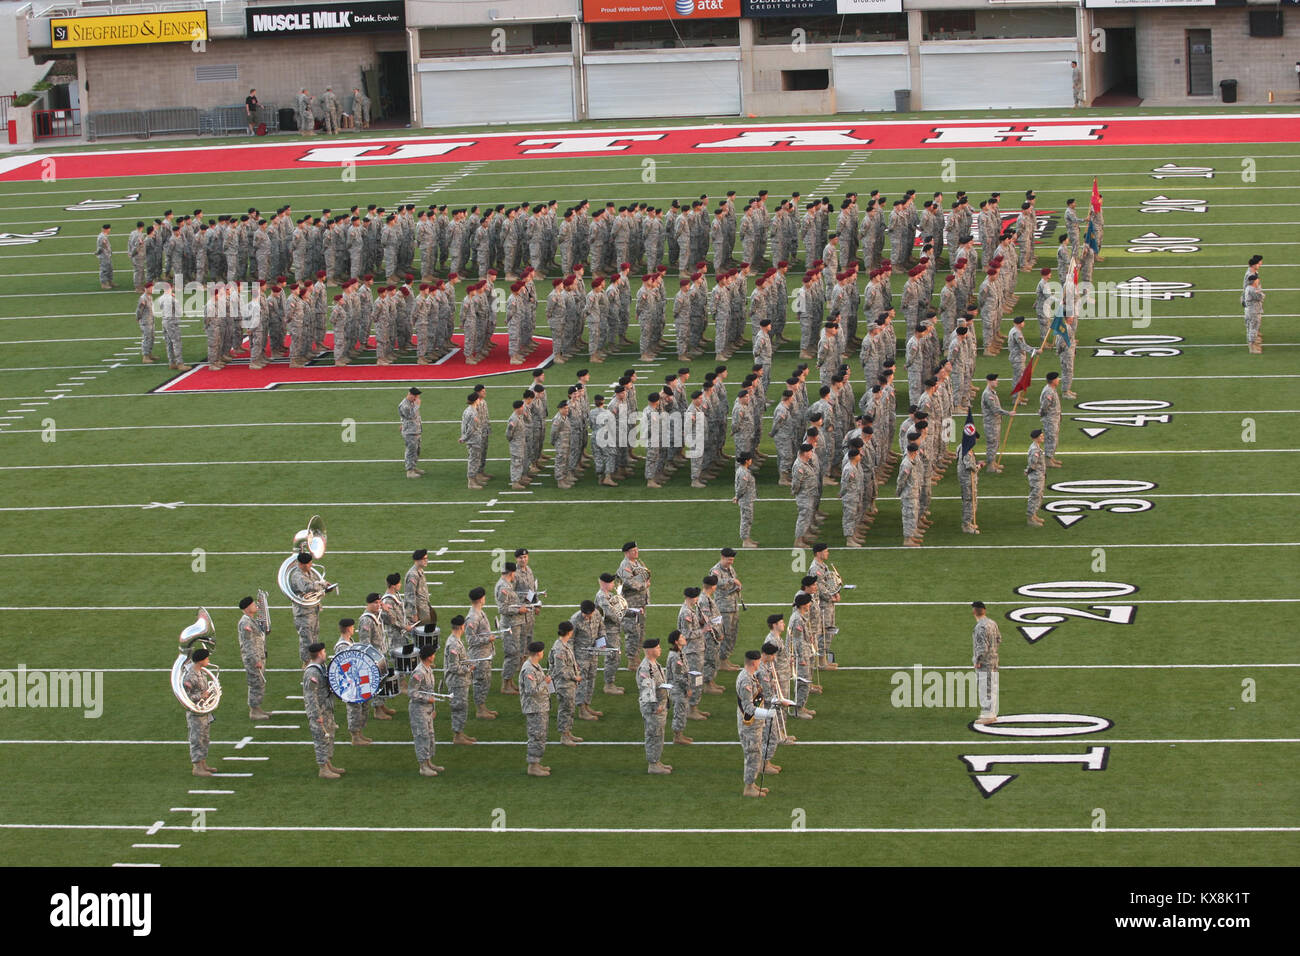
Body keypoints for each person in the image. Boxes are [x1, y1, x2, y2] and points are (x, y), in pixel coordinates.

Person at [303, 642, 345, 778]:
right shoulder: (312, 672)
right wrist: (317, 715)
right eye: (324, 652)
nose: (325, 654)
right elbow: (310, 696)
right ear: (320, 654)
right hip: (319, 711)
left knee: (329, 736)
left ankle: (328, 764)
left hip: (326, 709)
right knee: (321, 738)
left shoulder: (321, 667)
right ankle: (323, 769)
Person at [737, 649, 773, 798]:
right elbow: (748, 708)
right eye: (758, 661)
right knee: (752, 755)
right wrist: (767, 714)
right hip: (749, 726)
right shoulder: (745, 679)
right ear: (754, 662)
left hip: (755, 725)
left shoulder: (750, 677)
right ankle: (748, 787)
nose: (760, 663)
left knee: (756, 754)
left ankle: (752, 783)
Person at [637, 637, 672, 774]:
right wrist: (655, 707)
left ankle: (657, 761)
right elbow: (647, 691)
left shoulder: (654, 664)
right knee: (653, 735)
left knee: (659, 735)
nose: (660, 649)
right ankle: (653, 765)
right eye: (657, 647)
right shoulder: (646, 668)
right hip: (654, 709)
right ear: (650, 650)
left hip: (660, 707)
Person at [409, 645, 445, 777]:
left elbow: (430, 692)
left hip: (427, 710)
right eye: (433, 654)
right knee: (422, 737)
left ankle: (429, 762)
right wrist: (427, 700)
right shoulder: (419, 672)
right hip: (418, 710)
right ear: (429, 657)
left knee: (430, 736)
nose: (434, 656)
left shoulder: (428, 669)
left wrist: (433, 708)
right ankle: (423, 767)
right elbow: (412, 693)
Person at [442, 614, 477, 745]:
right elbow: (453, 667)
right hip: (457, 682)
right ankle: (457, 736)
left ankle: (460, 732)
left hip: (460, 681)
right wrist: (469, 669)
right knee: (459, 707)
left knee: (462, 707)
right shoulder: (454, 644)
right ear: (462, 627)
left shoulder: (455, 640)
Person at [182, 647, 217, 776]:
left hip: (204, 712)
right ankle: (197, 768)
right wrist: (202, 696)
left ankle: (203, 764)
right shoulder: (190, 676)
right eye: (206, 658)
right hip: (195, 713)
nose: (208, 660)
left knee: (204, 738)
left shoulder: (201, 672)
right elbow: (186, 697)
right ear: (200, 660)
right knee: (197, 738)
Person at [519, 641, 552, 776]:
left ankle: (537, 763)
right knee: (536, 736)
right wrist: (546, 682)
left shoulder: (535, 665)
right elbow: (531, 690)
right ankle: (532, 767)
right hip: (534, 707)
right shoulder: (529, 669)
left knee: (541, 735)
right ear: (539, 653)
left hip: (541, 706)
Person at [236, 595, 271, 720]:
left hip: (259, 655)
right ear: (247, 608)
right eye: (252, 604)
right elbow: (248, 643)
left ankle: (257, 708)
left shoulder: (251, 620)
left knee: (259, 683)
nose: (255, 605)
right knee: (255, 683)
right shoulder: (245, 623)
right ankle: (254, 711)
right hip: (253, 658)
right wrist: (256, 660)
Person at [465, 586, 497, 720]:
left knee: (485, 681)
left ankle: (483, 707)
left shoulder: (479, 612)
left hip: (485, 653)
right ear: (480, 599)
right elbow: (470, 639)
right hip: (479, 655)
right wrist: (487, 638)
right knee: (480, 682)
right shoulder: (472, 617)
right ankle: (480, 710)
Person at [550, 621, 583, 746]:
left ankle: (568, 733)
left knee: (570, 709)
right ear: (570, 632)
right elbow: (560, 670)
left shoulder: (564, 644)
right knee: (565, 710)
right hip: (564, 684)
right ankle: (564, 736)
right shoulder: (560, 648)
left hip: (568, 684)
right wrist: (575, 677)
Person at [971, 601, 1002, 723]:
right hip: (994, 660)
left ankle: (988, 715)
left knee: (985, 688)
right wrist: (993, 652)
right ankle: (992, 712)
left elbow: (982, 647)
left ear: (974, 611)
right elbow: (999, 639)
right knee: (992, 687)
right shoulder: (992, 623)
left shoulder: (980, 627)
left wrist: (978, 660)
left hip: (985, 663)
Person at [1039, 371, 1063, 467]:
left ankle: (1051, 457)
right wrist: (1043, 413)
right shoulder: (1048, 391)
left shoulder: (1052, 389)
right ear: (1053, 381)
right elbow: (1045, 406)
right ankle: (1048, 460)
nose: (1058, 380)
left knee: (1054, 438)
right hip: (1050, 419)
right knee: (1051, 438)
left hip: (1054, 417)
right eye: (1057, 378)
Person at [399, 387, 423, 479]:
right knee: (411, 451)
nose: (417, 398)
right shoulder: (404, 405)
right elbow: (411, 416)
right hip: (410, 432)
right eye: (416, 396)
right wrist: (417, 405)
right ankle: (409, 471)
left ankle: (413, 467)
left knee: (417, 450)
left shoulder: (412, 402)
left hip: (415, 430)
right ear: (410, 394)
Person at [1026, 428, 1046, 526]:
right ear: (1036, 438)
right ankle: (1030, 518)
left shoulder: (1037, 447)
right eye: (1041, 436)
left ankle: (1034, 515)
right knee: (1035, 496)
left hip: (1039, 475)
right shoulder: (1035, 450)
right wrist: (1028, 471)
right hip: (1036, 477)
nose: (1043, 437)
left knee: (1038, 496)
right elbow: (1032, 464)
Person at [136, 280, 156, 364]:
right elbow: (139, 310)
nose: (152, 290)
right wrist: (138, 318)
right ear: (146, 289)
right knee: (147, 338)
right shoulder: (143, 298)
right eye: (151, 288)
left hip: (150, 320)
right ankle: (145, 357)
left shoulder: (150, 297)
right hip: (145, 321)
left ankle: (149, 353)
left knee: (152, 337)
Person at [1244, 273, 1265, 353]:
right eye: (1256, 280)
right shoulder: (1252, 289)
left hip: (1251, 311)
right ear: (1253, 281)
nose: (1258, 280)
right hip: (1254, 312)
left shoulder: (1249, 288)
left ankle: (1252, 345)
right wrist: (1259, 292)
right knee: (1254, 328)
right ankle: (1253, 347)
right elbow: (1261, 297)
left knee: (1251, 328)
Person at [95, 224, 114, 289]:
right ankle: (104, 284)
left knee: (110, 269)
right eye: (109, 229)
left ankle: (110, 282)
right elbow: (100, 247)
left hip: (107, 255)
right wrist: (97, 253)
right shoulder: (102, 237)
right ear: (107, 229)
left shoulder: (104, 236)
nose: (110, 230)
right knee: (104, 270)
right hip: (104, 256)